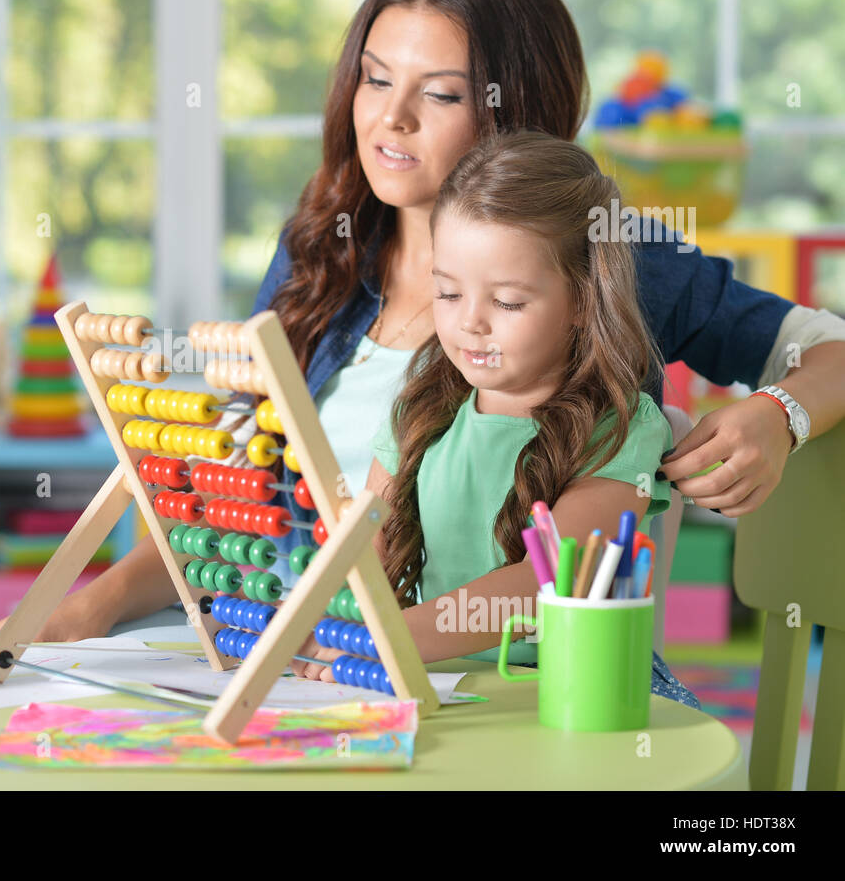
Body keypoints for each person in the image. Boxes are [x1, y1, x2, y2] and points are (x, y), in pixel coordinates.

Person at [0, 0, 845, 653]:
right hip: (309, 663)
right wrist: (88, 614)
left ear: (517, 112)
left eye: (440, 94)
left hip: (511, 688)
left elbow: (830, 348)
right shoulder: (316, 256)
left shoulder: (611, 254)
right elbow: (236, 507)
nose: (389, 119)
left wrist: (781, 414)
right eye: (374, 79)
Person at [290, 128, 694, 702]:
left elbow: (547, 584)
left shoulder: (620, 429)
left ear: (583, 299)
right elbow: (367, 548)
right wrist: (314, 622)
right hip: (438, 687)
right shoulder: (421, 408)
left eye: (506, 301)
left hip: (573, 694)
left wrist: (389, 637)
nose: (470, 323)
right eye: (449, 294)